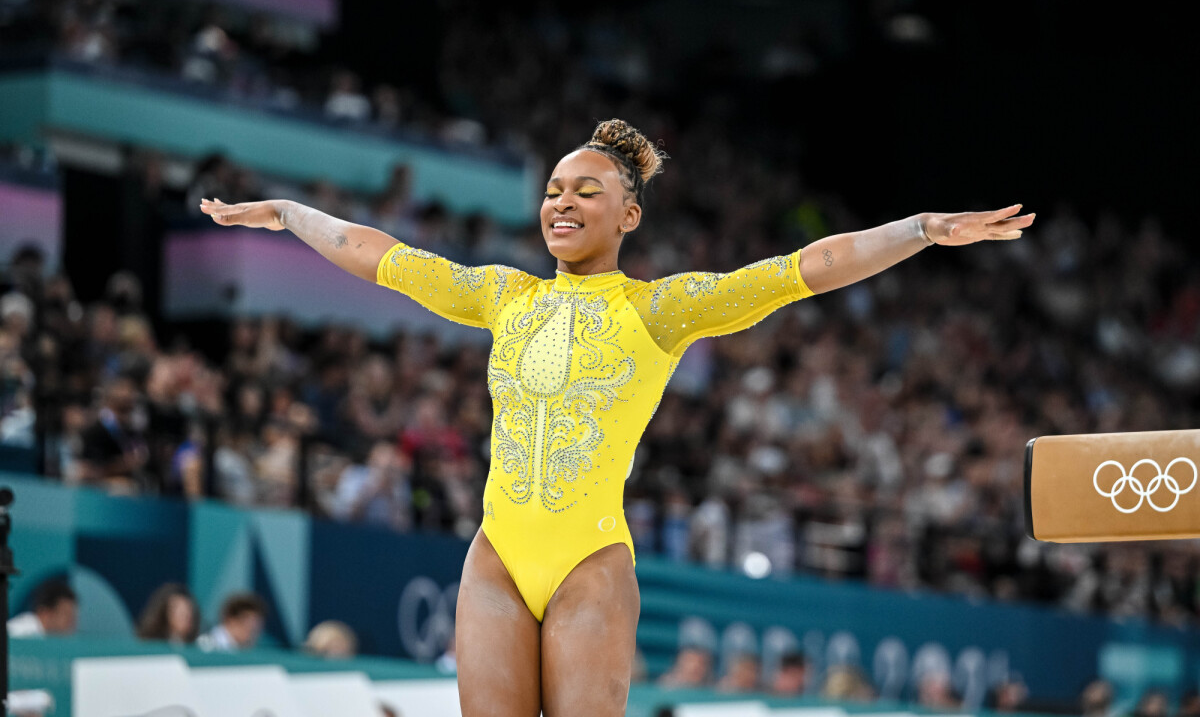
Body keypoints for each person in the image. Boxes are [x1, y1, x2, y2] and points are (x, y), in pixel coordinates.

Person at [200, 118, 1034, 716]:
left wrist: (922, 228)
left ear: (629, 215)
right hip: (494, 556)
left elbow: (800, 269)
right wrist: (282, 213)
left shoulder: (660, 310)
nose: (562, 203)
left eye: (586, 192)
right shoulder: (504, 295)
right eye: (554, 190)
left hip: (588, 564)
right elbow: (378, 255)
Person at [8, 577, 78, 638]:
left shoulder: (46, 638)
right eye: (66, 614)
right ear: (45, 612)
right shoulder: (19, 632)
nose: (71, 623)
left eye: (72, 616)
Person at [197, 591, 266, 652]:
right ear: (231, 620)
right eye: (247, 623)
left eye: (256, 626)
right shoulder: (205, 646)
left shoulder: (243, 649)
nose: (252, 630)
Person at [135, 582, 200, 644]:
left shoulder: (200, 645)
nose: (186, 616)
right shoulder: (147, 645)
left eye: (188, 611)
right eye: (179, 610)